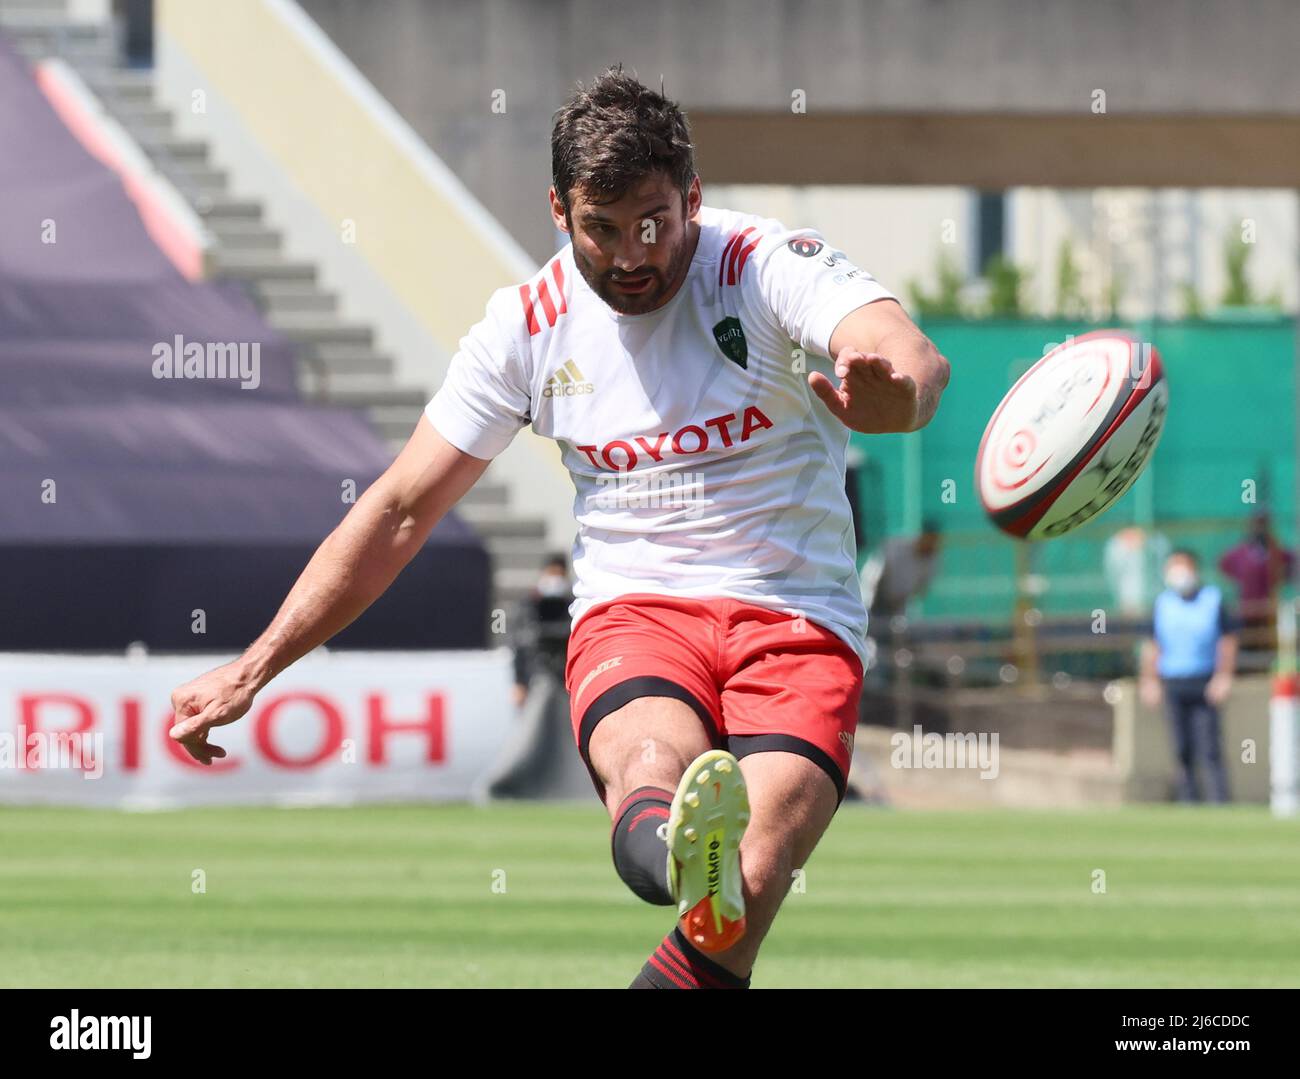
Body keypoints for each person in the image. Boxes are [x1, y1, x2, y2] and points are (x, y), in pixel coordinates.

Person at [167, 66, 950, 989]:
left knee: (755, 869)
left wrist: (894, 400)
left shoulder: (763, 264)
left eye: (654, 223)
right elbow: (400, 508)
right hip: (638, 611)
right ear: (558, 209)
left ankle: (699, 865)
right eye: (602, 229)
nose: (631, 255)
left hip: (797, 615)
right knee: (656, 774)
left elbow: (911, 356)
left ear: (693, 196)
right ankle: (671, 848)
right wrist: (255, 663)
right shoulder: (525, 327)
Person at [1139, 548, 1240, 803]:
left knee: (1210, 747)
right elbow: (1152, 645)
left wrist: (1224, 676)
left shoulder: (1212, 599)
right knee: (1181, 748)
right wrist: (1149, 680)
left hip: (1205, 680)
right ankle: (1188, 802)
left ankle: (1219, 803)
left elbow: (1227, 641)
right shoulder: (1162, 603)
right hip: (1173, 681)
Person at [1218, 510, 1294, 654]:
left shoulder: (1275, 551)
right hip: (1247, 605)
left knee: (1269, 639)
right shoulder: (1240, 552)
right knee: (1247, 638)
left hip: (1269, 606)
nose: (1260, 528)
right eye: (1257, 523)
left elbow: (1291, 563)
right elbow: (1225, 565)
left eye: (1263, 524)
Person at [510, 553, 574, 709]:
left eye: (559, 575)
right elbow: (520, 644)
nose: (554, 579)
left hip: (565, 679)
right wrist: (519, 681)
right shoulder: (529, 604)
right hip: (535, 676)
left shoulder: (573, 605)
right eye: (552, 573)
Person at [865, 519, 943, 623]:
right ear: (923, 536)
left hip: (898, 607)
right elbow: (872, 577)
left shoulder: (932, 560)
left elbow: (921, 589)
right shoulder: (897, 546)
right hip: (873, 598)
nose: (931, 543)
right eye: (930, 538)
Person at [1104, 525, 1170, 620]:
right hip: (1128, 602)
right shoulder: (1115, 546)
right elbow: (1113, 574)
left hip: (1153, 601)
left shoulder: (1157, 542)